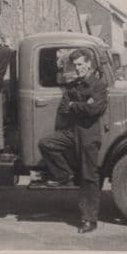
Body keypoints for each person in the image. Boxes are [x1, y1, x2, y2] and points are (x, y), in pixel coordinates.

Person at [31, 48, 108, 234]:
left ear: (89, 64)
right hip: (71, 132)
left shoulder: (98, 85)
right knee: (47, 143)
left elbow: (95, 110)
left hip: (88, 134)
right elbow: (65, 108)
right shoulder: (74, 85)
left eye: (81, 64)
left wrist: (76, 105)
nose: (79, 68)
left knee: (89, 177)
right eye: (76, 65)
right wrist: (82, 105)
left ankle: (89, 219)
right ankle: (64, 175)